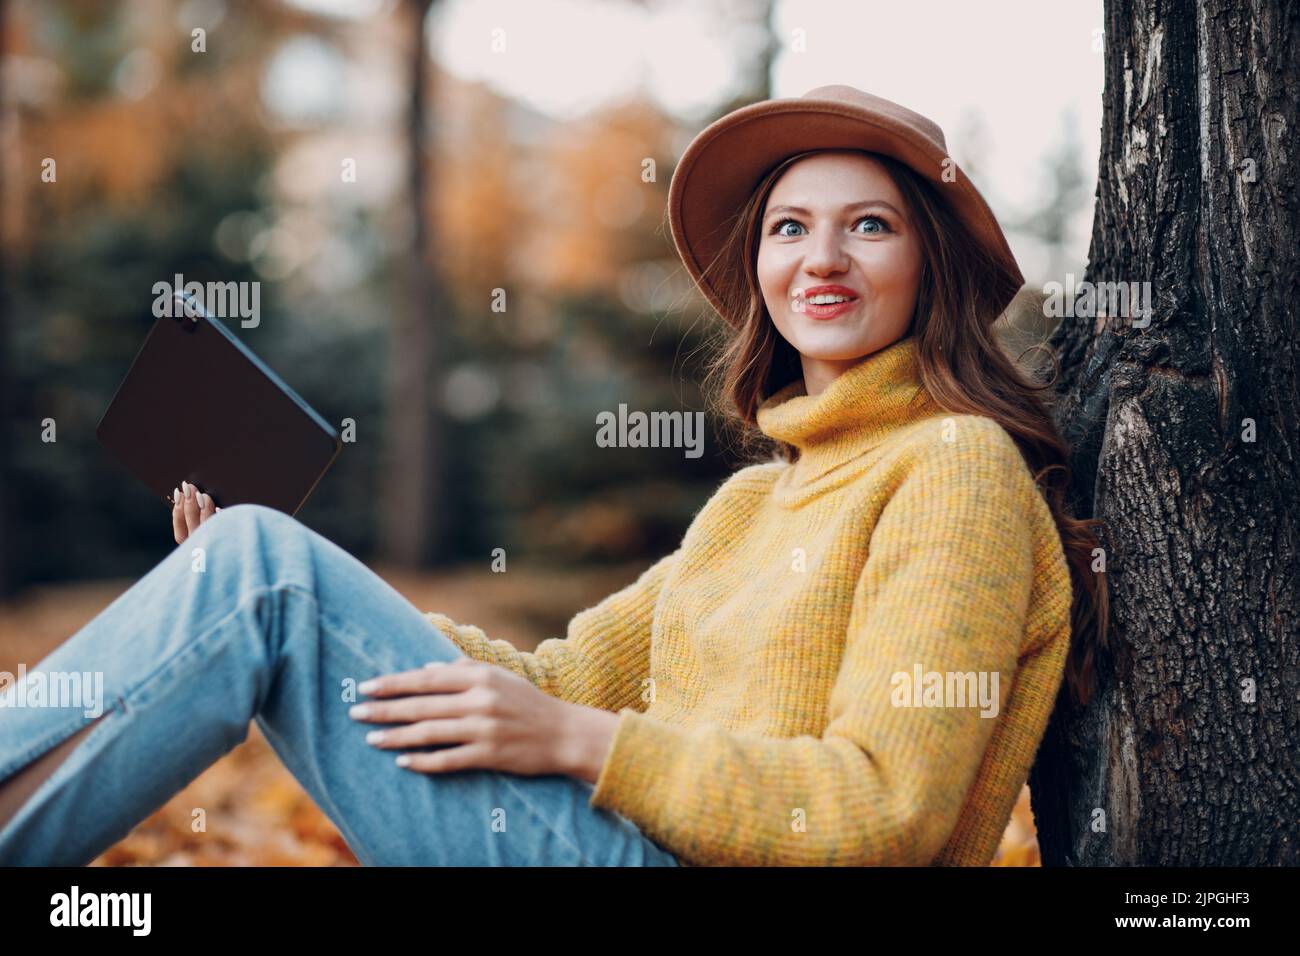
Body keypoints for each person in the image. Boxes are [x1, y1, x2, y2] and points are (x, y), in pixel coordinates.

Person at [0, 84, 1108, 867]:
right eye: (788, 227)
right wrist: (305, 607)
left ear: (931, 264)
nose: (820, 257)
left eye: (868, 225)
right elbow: (560, 677)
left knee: (268, 573)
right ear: (759, 267)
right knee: (262, 570)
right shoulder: (752, 504)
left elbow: (887, 810)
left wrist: (583, 747)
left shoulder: (953, 468)